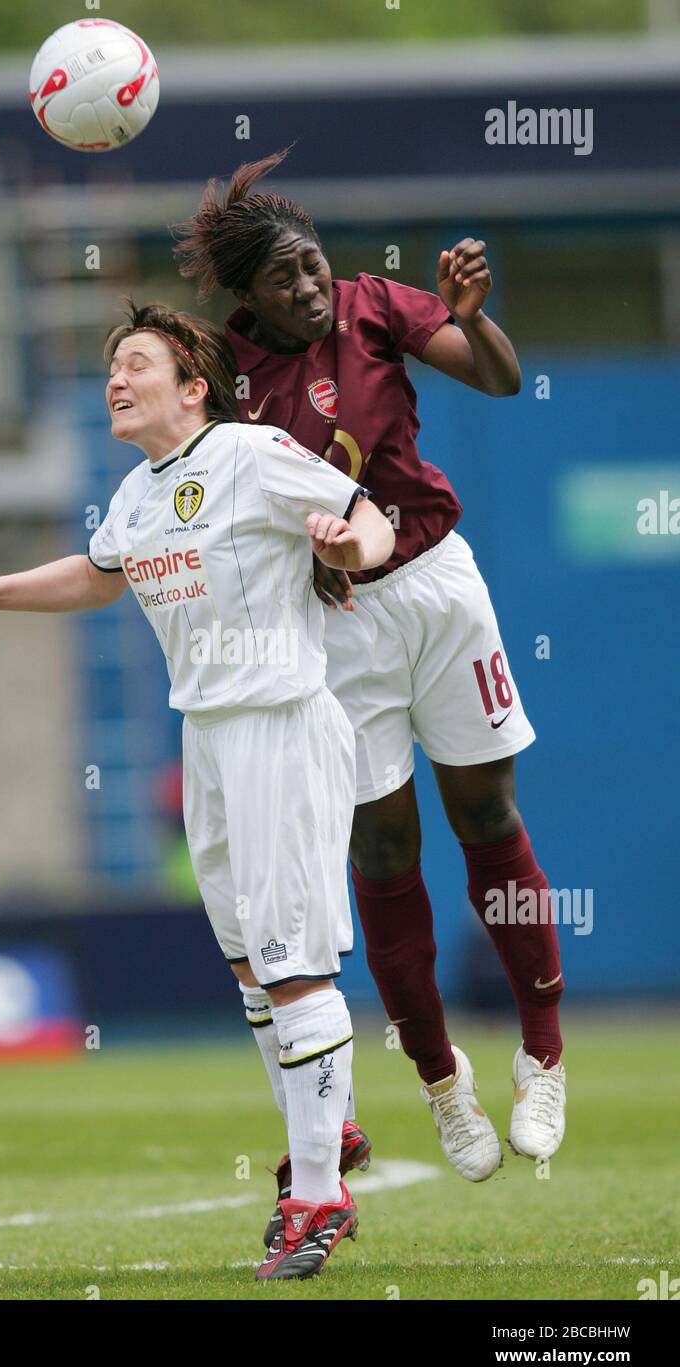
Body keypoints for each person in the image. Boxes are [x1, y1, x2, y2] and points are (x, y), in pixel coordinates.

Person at [0, 300, 394, 1280]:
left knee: (293, 963)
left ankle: (316, 1197)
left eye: (134, 365)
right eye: (107, 370)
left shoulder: (251, 454)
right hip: (208, 738)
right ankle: (329, 1134)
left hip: (281, 721)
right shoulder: (136, 493)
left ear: (192, 385)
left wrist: (348, 550)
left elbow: (365, 513)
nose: (114, 382)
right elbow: (97, 578)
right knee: (252, 971)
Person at [172, 149, 567, 1180]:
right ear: (245, 298)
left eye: (310, 268)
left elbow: (498, 377)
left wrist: (471, 315)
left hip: (436, 588)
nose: (307, 291)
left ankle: (542, 1054)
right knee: (382, 852)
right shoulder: (221, 377)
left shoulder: (373, 306)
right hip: (335, 626)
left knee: (486, 816)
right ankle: (442, 1087)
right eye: (282, 282)